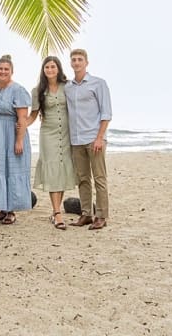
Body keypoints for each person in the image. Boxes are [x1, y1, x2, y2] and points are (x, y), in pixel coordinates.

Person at [0, 55, 32, 225]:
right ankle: (2, 209)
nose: (3, 72)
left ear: (12, 71)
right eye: (0, 69)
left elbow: (22, 118)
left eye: (6, 69)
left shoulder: (18, 90)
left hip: (11, 134)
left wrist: (19, 141)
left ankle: (11, 211)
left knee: (11, 170)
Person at [65, 49, 112, 231]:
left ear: (86, 62)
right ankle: (86, 214)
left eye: (80, 59)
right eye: (74, 60)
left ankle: (101, 216)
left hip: (94, 139)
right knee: (82, 179)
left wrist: (99, 138)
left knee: (99, 178)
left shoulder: (98, 84)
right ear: (71, 63)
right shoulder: (68, 87)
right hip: (76, 140)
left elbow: (106, 113)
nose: (76, 62)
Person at [26, 56, 75, 230]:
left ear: (58, 68)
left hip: (67, 134)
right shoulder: (37, 90)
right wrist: (20, 124)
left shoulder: (68, 86)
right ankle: (57, 212)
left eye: (53, 66)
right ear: (43, 70)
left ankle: (56, 211)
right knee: (53, 170)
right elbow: (33, 115)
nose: (50, 70)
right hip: (48, 135)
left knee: (61, 170)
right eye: (47, 67)